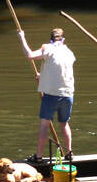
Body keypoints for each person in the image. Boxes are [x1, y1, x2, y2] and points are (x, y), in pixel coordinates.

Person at [20, 26, 76, 163]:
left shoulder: (48, 49)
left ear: (51, 39)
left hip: (52, 95)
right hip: (68, 94)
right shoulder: (69, 52)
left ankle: (38, 157)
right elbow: (60, 71)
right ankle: (69, 153)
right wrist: (42, 76)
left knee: (44, 124)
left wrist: (22, 37)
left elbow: (30, 55)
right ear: (63, 39)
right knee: (64, 123)